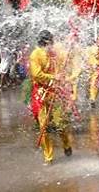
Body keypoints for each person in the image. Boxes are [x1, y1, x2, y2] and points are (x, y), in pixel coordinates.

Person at [29, 30, 72, 165]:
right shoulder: (35, 55)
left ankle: (66, 144)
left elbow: (63, 63)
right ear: (46, 42)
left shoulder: (54, 54)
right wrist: (54, 77)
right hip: (41, 94)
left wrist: (71, 46)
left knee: (60, 122)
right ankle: (48, 157)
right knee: (43, 126)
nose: (52, 45)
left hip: (54, 92)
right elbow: (36, 74)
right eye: (51, 42)